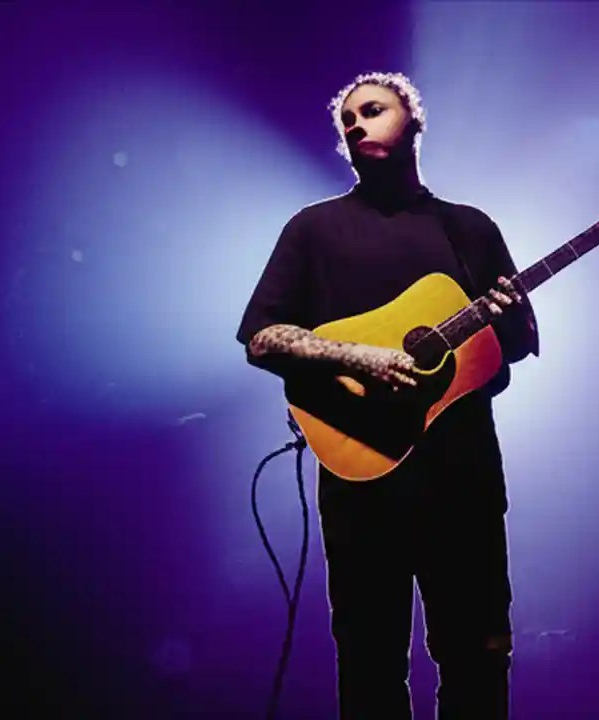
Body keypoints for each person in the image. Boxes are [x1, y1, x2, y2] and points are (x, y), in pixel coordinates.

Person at [236, 71, 539, 719]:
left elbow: (512, 349)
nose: (356, 124)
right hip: (361, 482)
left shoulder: (470, 230)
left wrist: (509, 315)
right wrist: (357, 356)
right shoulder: (313, 230)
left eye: (371, 110)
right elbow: (262, 337)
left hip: (465, 483)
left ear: (414, 121)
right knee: (370, 667)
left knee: (477, 661)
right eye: (346, 119)